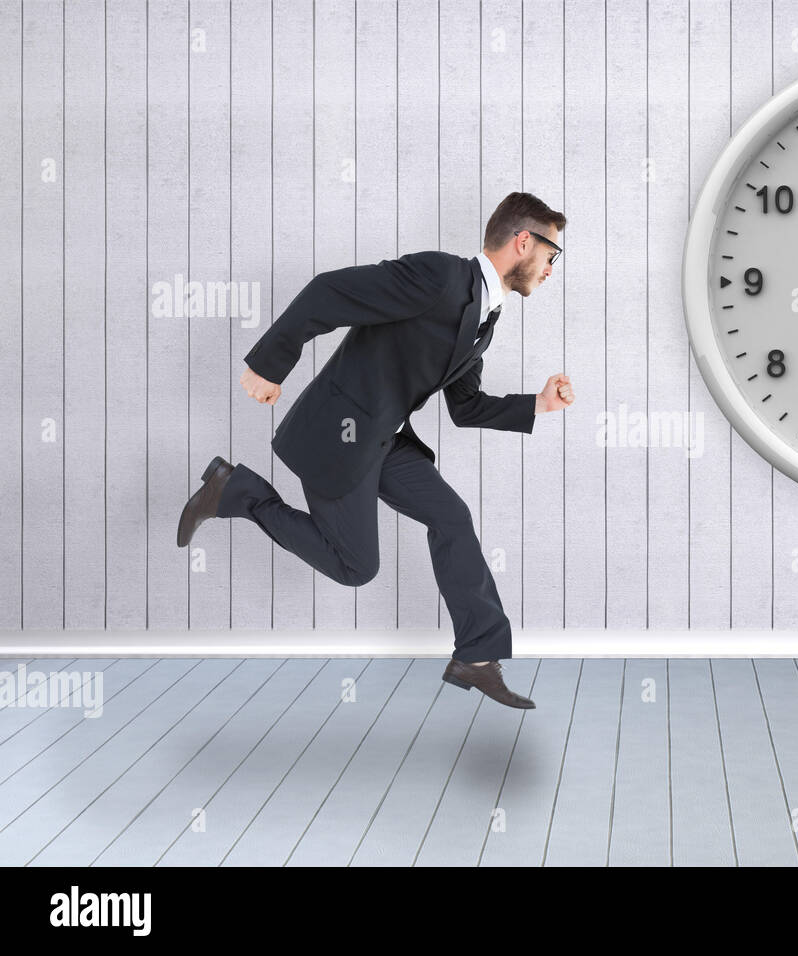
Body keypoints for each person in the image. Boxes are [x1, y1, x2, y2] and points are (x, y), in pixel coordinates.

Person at [176, 192, 573, 709]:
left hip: (384, 439)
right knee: (356, 567)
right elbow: (329, 291)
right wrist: (271, 364)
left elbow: (465, 406)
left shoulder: (484, 317)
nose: (549, 269)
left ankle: (477, 656)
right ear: (524, 241)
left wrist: (537, 405)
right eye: (551, 255)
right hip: (338, 435)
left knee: (451, 516)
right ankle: (236, 492)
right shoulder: (440, 276)